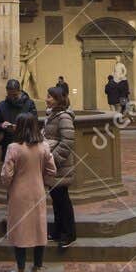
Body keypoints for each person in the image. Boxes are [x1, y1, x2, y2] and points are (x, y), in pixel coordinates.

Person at [1, 113, 55, 272]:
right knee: (39, 230)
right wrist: (43, 182)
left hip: (19, 193)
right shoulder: (44, 146)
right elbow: (52, 170)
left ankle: (21, 271)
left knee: (20, 230)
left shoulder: (14, 148)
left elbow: (6, 174)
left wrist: (8, 185)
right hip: (38, 191)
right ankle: (38, 270)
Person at [44, 85, 77, 249]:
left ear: (57, 99)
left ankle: (69, 234)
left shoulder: (64, 117)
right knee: (56, 200)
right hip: (55, 166)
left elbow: (68, 142)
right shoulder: (53, 115)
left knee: (63, 200)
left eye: (49, 97)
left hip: (60, 166)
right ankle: (58, 231)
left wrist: (52, 160)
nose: (46, 99)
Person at [0, 78, 36, 158]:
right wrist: (1, 125)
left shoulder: (29, 104)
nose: (12, 98)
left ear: (20, 91)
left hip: (26, 145)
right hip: (8, 145)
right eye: (9, 95)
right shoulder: (2, 105)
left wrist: (20, 127)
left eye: (15, 95)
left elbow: (35, 123)